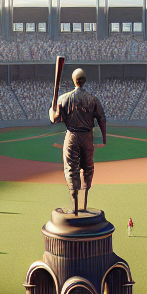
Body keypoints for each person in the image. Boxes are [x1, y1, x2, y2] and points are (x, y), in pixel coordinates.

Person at [49, 67, 107, 215]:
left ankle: (75, 209)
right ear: (85, 81)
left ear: (73, 81)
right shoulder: (92, 99)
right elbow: (101, 118)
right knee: (88, 169)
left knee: (71, 170)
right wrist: (104, 138)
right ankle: (84, 205)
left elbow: (54, 119)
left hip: (72, 136)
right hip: (87, 137)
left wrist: (52, 109)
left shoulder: (64, 98)